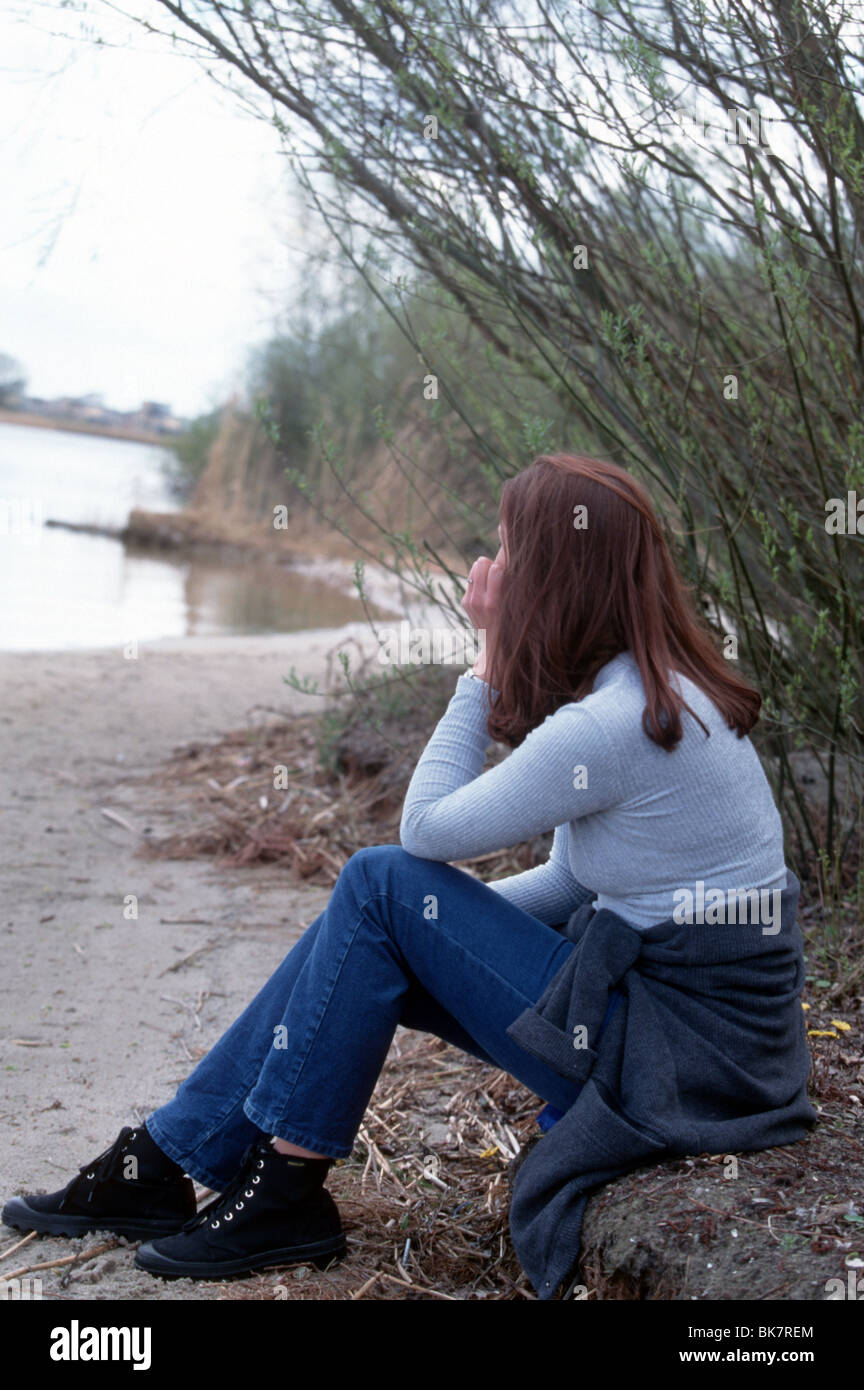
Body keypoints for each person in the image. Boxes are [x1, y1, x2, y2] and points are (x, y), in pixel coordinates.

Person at [2, 452, 794, 1284]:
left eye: (508, 552)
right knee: (374, 913)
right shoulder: (664, 693)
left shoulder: (611, 725)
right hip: (710, 1046)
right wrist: (439, 932)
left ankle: (274, 1192)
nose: (493, 573)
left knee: (381, 882)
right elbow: (569, 884)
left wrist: (483, 664)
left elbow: (424, 831)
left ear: (557, 575)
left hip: (674, 1060)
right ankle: (167, 1164)